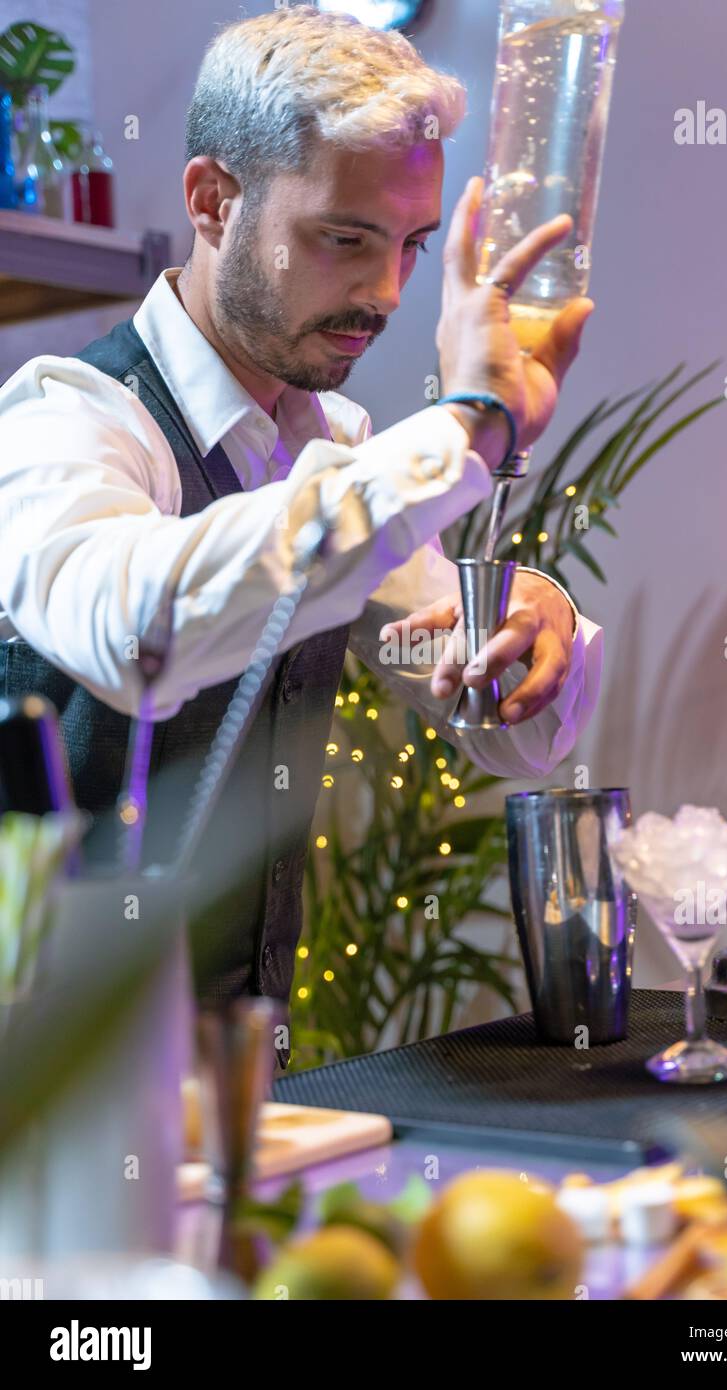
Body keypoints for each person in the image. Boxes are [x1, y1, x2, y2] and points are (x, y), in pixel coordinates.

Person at [0, 7, 602, 1051]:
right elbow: (137, 631)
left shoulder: (331, 441)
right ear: (212, 199)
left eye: (411, 247)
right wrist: (457, 431)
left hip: (238, 1083)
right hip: (43, 1105)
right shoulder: (66, 419)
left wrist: (525, 636)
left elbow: (508, 729)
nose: (384, 294)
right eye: (343, 239)